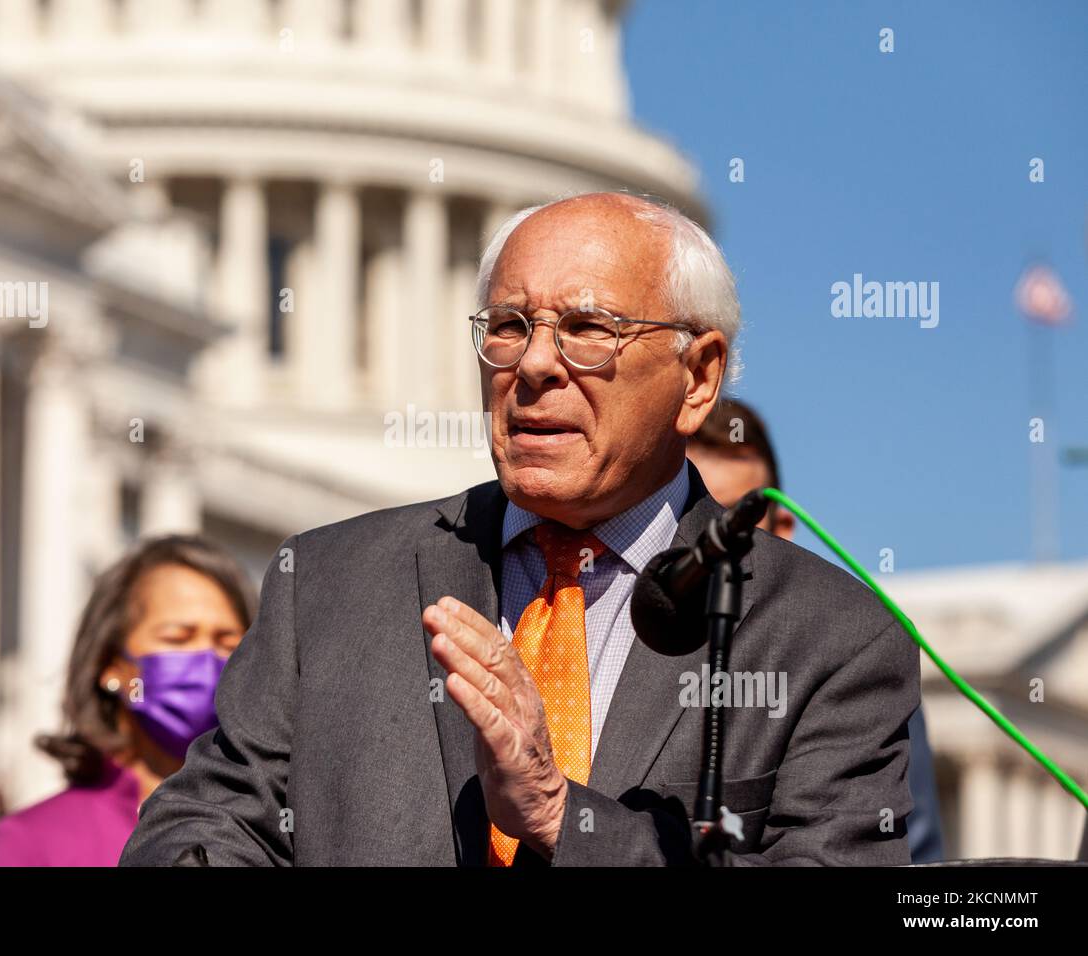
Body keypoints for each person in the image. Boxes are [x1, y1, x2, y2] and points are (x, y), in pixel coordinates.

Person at [121, 191, 919, 866]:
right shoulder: (327, 584)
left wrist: (556, 812)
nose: (534, 365)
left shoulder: (829, 641)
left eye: (588, 327)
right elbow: (202, 826)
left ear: (699, 376)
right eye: (508, 324)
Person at [688, 397, 945, 863]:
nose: (706, 545)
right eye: (690, 523)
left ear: (782, 528)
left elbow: (915, 852)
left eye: (730, 524)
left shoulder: (856, 658)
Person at [0, 534, 256, 866]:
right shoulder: (35, 838)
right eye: (177, 637)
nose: (205, 660)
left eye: (227, 643)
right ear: (112, 666)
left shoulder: (269, 829)